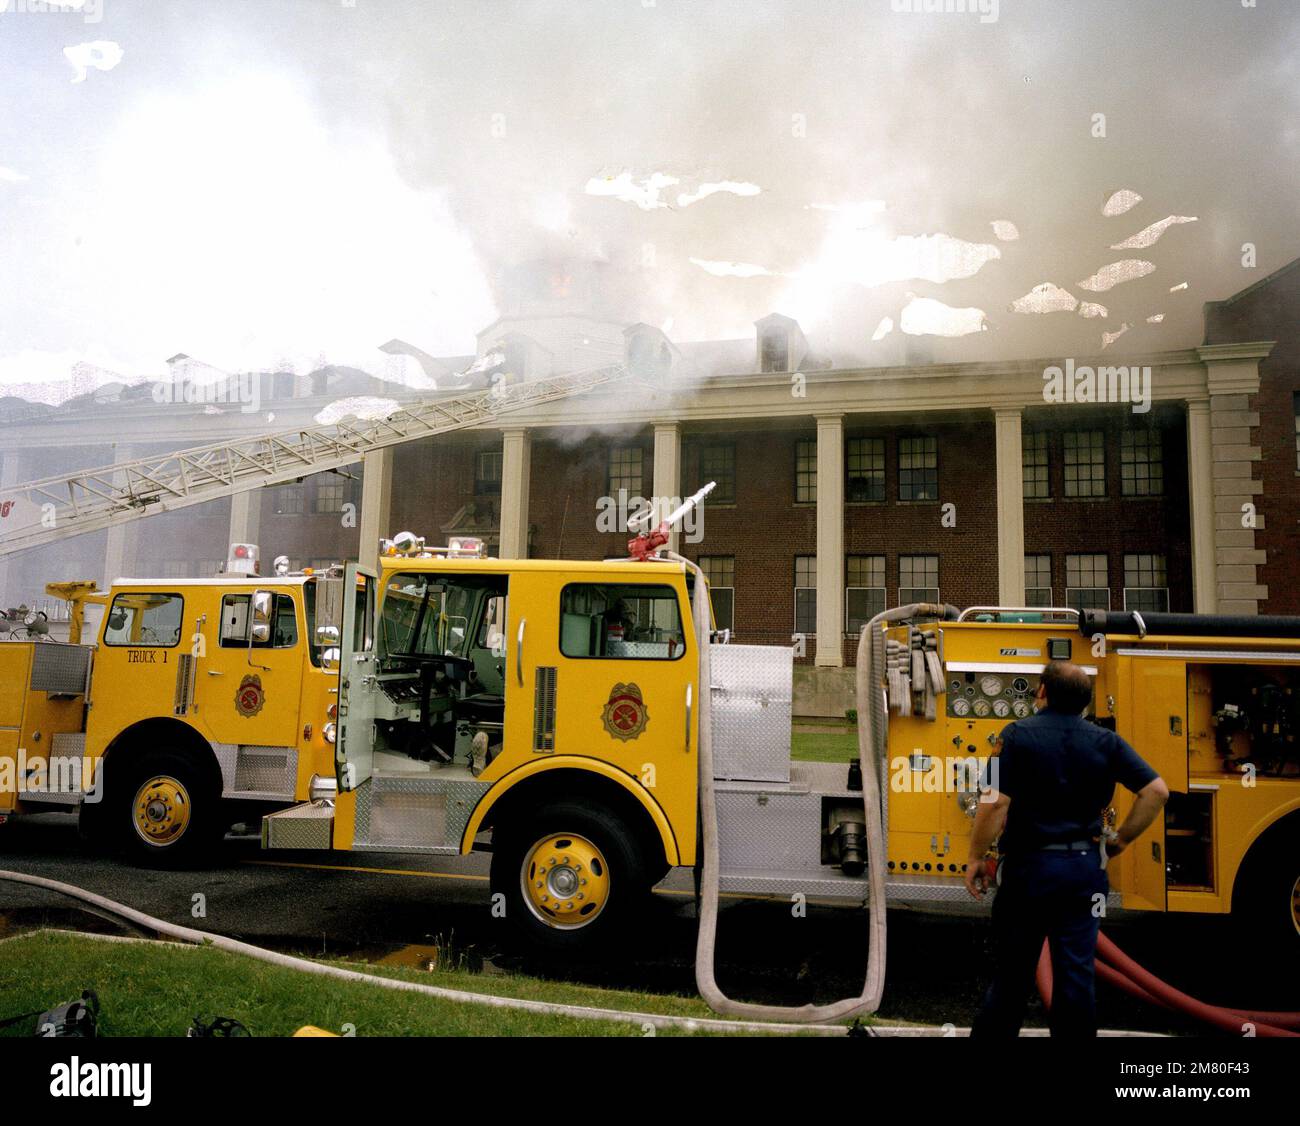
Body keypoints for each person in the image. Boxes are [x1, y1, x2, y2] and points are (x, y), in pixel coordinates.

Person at [964, 660, 1169, 1038]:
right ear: (1086, 701)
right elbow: (1156, 791)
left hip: (1027, 871)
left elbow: (994, 803)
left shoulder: (1014, 735)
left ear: (1042, 691)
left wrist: (976, 857)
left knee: (1012, 973)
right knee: (1076, 975)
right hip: (1082, 873)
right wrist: (1120, 840)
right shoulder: (1106, 741)